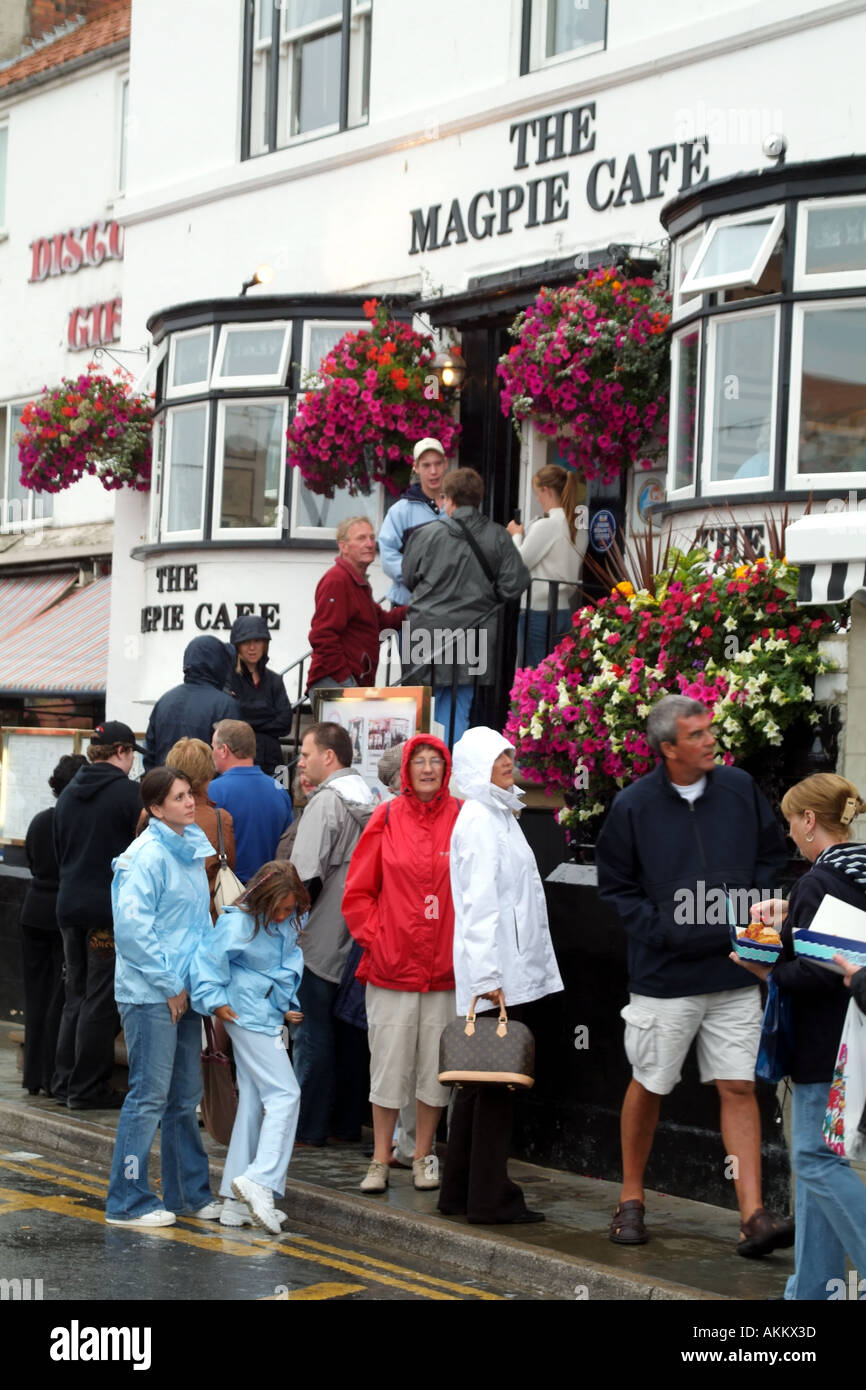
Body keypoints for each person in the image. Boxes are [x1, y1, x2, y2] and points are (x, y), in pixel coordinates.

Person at [595, 693, 792, 1255]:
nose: (711, 741)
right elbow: (616, 886)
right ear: (668, 748)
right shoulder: (633, 805)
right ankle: (630, 1200)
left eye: (709, 730)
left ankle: (752, 1216)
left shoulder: (739, 788)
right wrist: (662, 930)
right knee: (650, 1084)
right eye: (697, 734)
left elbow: (772, 855)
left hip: (734, 970)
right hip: (664, 978)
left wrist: (750, 913)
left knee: (739, 1086)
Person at [732, 774, 866, 1299]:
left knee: (815, 1159)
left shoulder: (816, 882)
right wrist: (788, 912)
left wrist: (764, 969)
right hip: (853, 1040)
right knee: (817, 1169)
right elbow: (843, 939)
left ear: (810, 820)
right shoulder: (855, 872)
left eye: (791, 821)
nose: (789, 833)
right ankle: (813, 1289)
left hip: (820, 1046)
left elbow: (815, 971)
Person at [438, 726, 563, 1224]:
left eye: (508, 752)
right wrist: (489, 976)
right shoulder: (481, 820)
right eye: (496, 756)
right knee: (494, 1088)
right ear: (476, 767)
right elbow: (479, 905)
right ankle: (489, 1199)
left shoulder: (496, 814)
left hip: (501, 969)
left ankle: (460, 1192)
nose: (508, 760)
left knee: (478, 1086)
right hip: (496, 974)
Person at [342, 735, 460, 1193]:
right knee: (388, 1066)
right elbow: (358, 891)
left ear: (446, 769)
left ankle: (424, 1154)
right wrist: (380, 939)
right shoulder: (387, 816)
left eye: (436, 761)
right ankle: (380, 1158)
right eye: (420, 761)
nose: (428, 769)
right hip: (391, 970)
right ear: (406, 771)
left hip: (444, 972)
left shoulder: (462, 817)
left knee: (434, 1070)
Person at [105, 767, 220, 1227]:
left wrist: (199, 984)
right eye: (178, 797)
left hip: (184, 990)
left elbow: (197, 924)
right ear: (155, 808)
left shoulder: (189, 847)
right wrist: (170, 983)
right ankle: (127, 1200)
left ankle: (188, 1195)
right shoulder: (146, 856)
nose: (190, 802)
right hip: (151, 994)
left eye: (190, 794)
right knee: (148, 1098)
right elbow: (133, 931)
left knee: (184, 1098)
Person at [191, 861, 308, 1233]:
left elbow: (282, 963)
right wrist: (215, 1001)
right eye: (279, 908)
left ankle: (235, 1202)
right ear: (263, 897)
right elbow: (208, 961)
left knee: (255, 1103)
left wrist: (285, 1004)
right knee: (286, 1094)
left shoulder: (282, 921)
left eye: (289, 908)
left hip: (259, 1013)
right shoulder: (238, 923)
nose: (283, 915)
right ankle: (260, 1180)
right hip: (248, 1014)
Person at [290, 722, 376, 1145]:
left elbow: (304, 877)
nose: (300, 762)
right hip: (357, 937)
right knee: (350, 1034)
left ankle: (308, 1127)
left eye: (306, 754)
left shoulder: (326, 801)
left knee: (312, 1032)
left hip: (320, 937)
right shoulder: (371, 797)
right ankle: (345, 1124)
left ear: (329, 756)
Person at [52, 721, 144, 1110]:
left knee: (76, 994)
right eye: (132, 754)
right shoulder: (129, 795)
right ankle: (87, 1088)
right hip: (106, 910)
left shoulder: (69, 793)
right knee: (101, 998)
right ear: (121, 751)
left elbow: (60, 850)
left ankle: (64, 1082)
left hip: (69, 905)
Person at [403, 468, 530, 745]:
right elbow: (515, 584)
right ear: (478, 499)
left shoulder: (425, 535)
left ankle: (422, 760)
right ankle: (449, 763)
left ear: (449, 499)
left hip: (425, 630)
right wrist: (487, 598)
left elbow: (409, 577)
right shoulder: (498, 536)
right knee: (459, 705)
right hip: (474, 632)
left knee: (421, 706)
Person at [19, 753, 86, 1096]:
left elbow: (31, 860)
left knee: (36, 996)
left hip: (33, 910)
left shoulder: (40, 820)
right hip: (61, 913)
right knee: (61, 998)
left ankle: (33, 1075)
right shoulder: (76, 823)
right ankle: (51, 1073)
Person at [307, 516, 406, 692]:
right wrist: (346, 681)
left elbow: (383, 621)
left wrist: (419, 605)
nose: (370, 544)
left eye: (372, 538)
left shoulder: (357, 582)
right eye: (361, 538)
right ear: (343, 546)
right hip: (335, 683)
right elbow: (322, 636)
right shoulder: (337, 580)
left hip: (348, 682)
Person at [506, 464, 586, 667]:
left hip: (538, 613)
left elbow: (518, 564)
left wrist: (516, 535)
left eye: (538, 493)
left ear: (547, 490)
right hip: (564, 611)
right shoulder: (577, 527)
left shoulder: (547, 525)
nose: (537, 499)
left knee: (534, 676)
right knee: (557, 675)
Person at [208, 719, 292, 884]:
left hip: (228, 891)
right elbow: (288, 846)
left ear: (224, 750)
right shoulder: (279, 791)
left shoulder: (212, 792)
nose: (212, 753)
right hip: (270, 888)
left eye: (214, 747)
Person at [142, 636, 242, 771]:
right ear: (219, 664)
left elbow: (149, 754)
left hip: (166, 782)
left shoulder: (164, 701)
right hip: (206, 783)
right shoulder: (226, 705)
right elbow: (233, 759)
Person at [377, 438, 447, 606]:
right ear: (415, 467)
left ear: (445, 464)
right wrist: (424, 580)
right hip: (409, 607)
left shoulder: (458, 507)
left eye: (437, 464)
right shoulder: (399, 512)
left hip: (448, 607)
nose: (433, 471)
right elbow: (388, 557)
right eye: (426, 465)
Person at [228, 615, 291, 776]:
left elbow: (285, 723)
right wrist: (267, 718)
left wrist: (246, 721)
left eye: (257, 641)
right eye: (245, 642)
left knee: (279, 790)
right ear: (237, 646)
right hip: (239, 759)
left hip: (272, 759)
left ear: (265, 644)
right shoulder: (228, 679)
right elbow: (229, 721)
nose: (252, 647)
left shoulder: (275, 680)